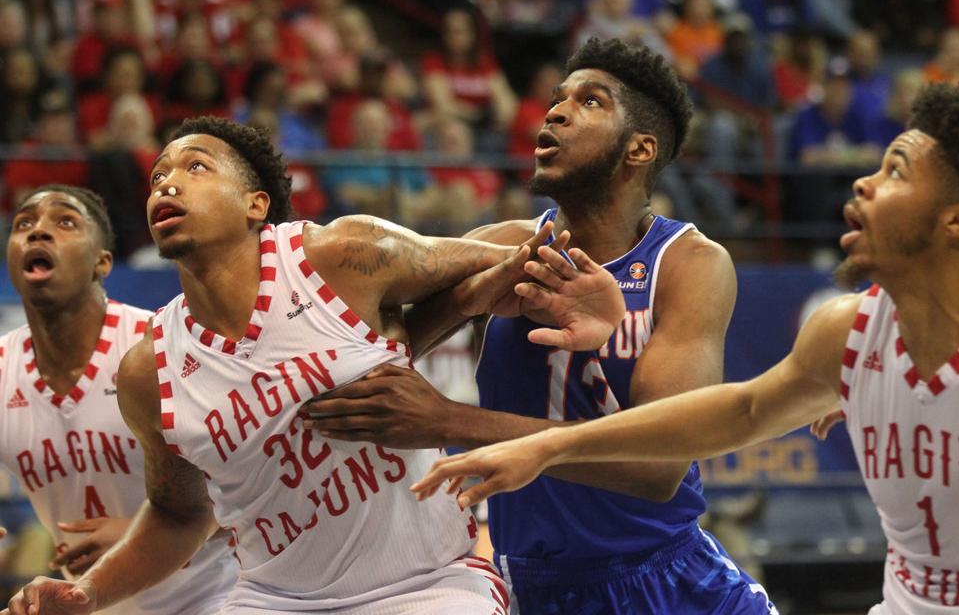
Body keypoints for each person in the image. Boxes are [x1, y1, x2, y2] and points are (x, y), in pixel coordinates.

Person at [413, 83, 959, 613]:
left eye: (895, 172)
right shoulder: (847, 334)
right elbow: (742, 410)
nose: (862, 184)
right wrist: (548, 446)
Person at [3, 117, 624, 614]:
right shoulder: (148, 371)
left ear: (255, 204)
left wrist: (592, 285)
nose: (166, 184)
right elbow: (179, 513)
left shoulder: (338, 254)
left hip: (427, 585)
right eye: (159, 174)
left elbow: (492, 251)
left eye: (195, 167)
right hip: (272, 601)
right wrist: (89, 595)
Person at [303, 38, 778, 614]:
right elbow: (368, 350)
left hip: (667, 578)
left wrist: (448, 420)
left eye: (590, 101)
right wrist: (467, 299)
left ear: (640, 148)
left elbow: (660, 468)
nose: (555, 112)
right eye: (557, 99)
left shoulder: (688, 264)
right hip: (532, 586)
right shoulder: (503, 245)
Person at [0, 184, 236, 613]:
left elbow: (261, 488)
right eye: (24, 224)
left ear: (102, 261)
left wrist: (149, 533)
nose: (38, 231)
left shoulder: (161, 347)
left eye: (65, 221)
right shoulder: (3, 368)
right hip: (91, 603)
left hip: (212, 599)